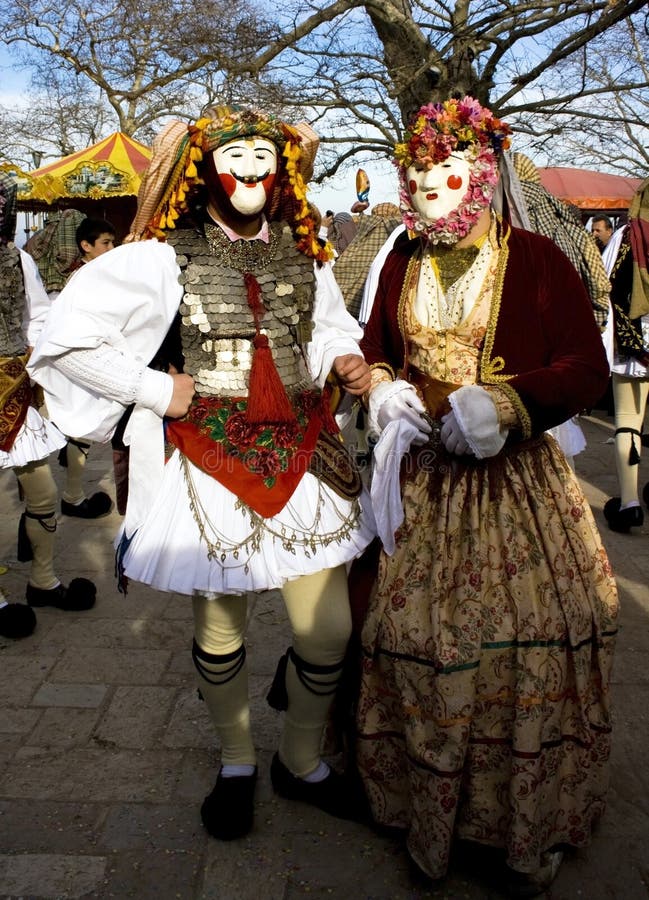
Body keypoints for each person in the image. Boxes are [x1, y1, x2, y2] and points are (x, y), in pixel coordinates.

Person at [28, 104, 375, 838]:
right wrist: (155, 389)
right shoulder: (159, 258)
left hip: (304, 452)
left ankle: (301, 759)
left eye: (263, 156)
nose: (251, 169)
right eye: (235, 155)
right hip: (206, 456)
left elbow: (325, 329)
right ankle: (238, 760)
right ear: (202, 167)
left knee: (327, 632)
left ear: (281, 169)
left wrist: (340, 358)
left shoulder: (306, 252)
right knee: (221, 628)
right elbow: (63, 341)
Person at [353, 97, 619, 897]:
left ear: (482, 176)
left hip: (514, 488)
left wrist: (506, 404)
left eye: (447, 174)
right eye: (417, 177)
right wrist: (380, 388)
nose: (430, 189)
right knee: (408, 633)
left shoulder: (534, 258)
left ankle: (518, 828)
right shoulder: (401, 257)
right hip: (421, 485)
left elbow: (585, 367)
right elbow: (375, 346)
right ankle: (425, 815)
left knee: (523, 636)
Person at [0, 174, 96, 640]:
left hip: (12, 387)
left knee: (41, 494)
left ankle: (42, 580)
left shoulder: (16, 258)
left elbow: (37, 315)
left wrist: (30, 354)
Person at [600, 177, 649, 532]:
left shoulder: (625, 236)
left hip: (634, 344)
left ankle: (630, 503)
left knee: (629, 422)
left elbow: (603, 283)